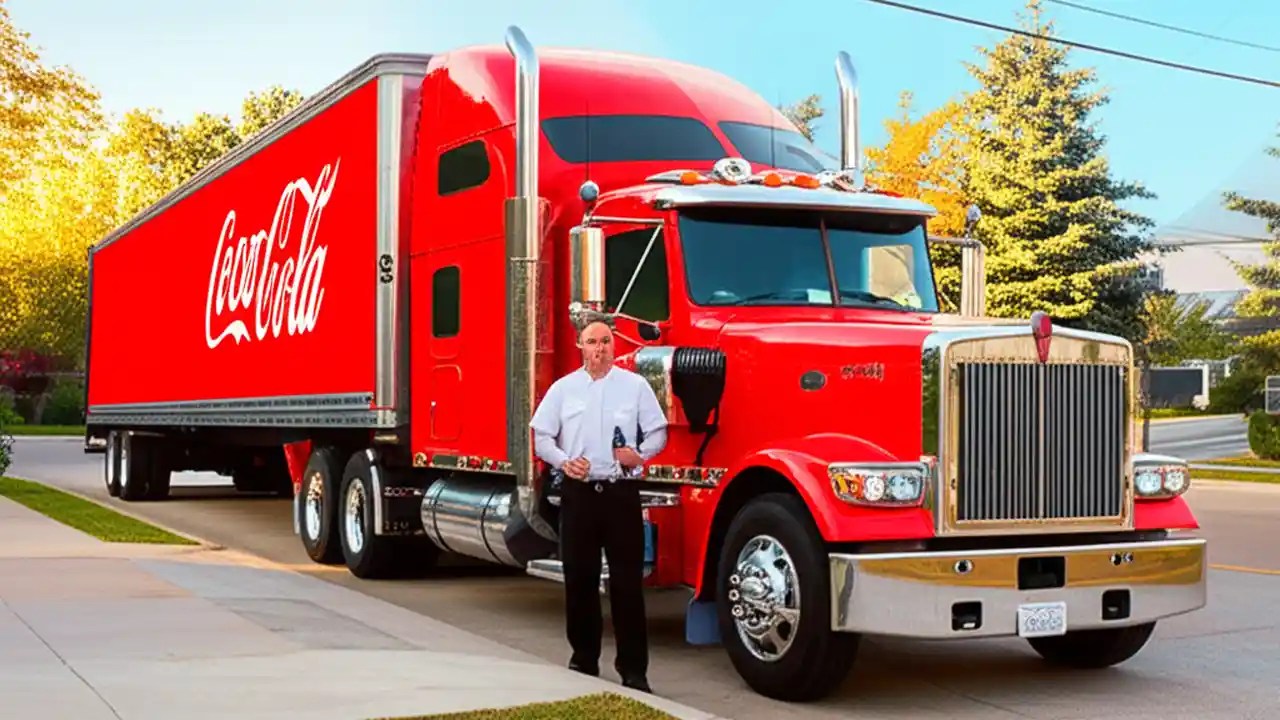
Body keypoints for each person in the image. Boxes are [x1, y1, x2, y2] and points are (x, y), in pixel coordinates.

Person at [529, 310, 668, 693]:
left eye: (606, 341)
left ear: (614, 346)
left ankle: (634, 671)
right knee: (580, 580)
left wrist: (639, 455)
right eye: (592, 342)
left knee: (627, 584)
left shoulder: (635, 386)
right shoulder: (563, 389)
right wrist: (563, 462)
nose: (600, 349)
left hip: (621, 493)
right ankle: (583, 660)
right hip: (580, 494)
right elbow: (541, 436)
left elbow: (658, 432)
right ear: (580, 347)